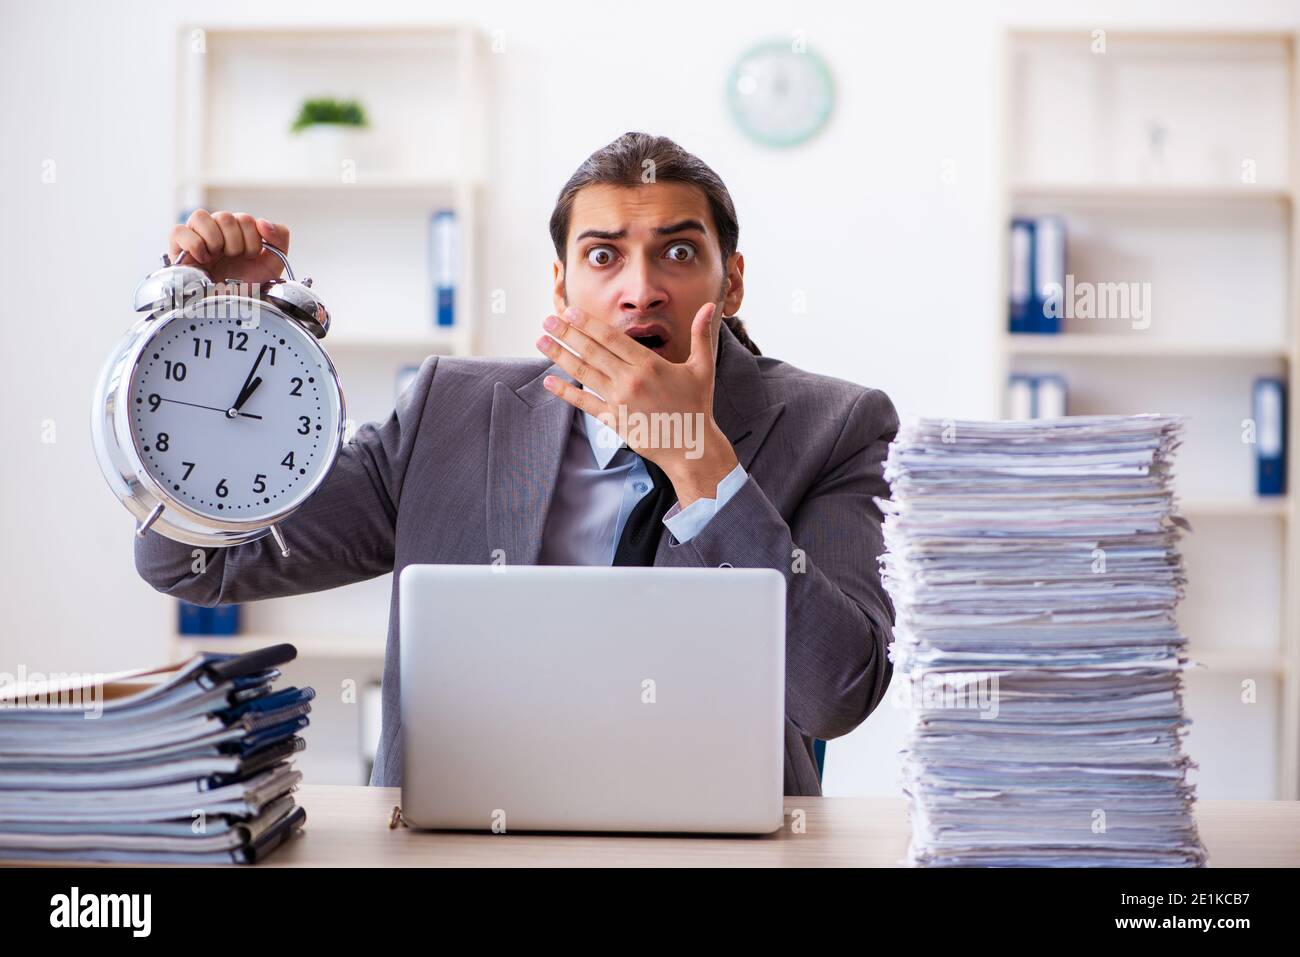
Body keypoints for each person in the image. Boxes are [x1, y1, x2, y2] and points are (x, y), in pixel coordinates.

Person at [136, 131, 901, 795]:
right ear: (562, 286)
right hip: (465, 844)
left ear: (730, 282)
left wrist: (697, 459)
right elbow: (196, 563)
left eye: (677, 251)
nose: (640, 290)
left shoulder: (836, 426)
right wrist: (219, 345)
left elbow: (838, 694)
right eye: (603, 255)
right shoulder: (449, 409)